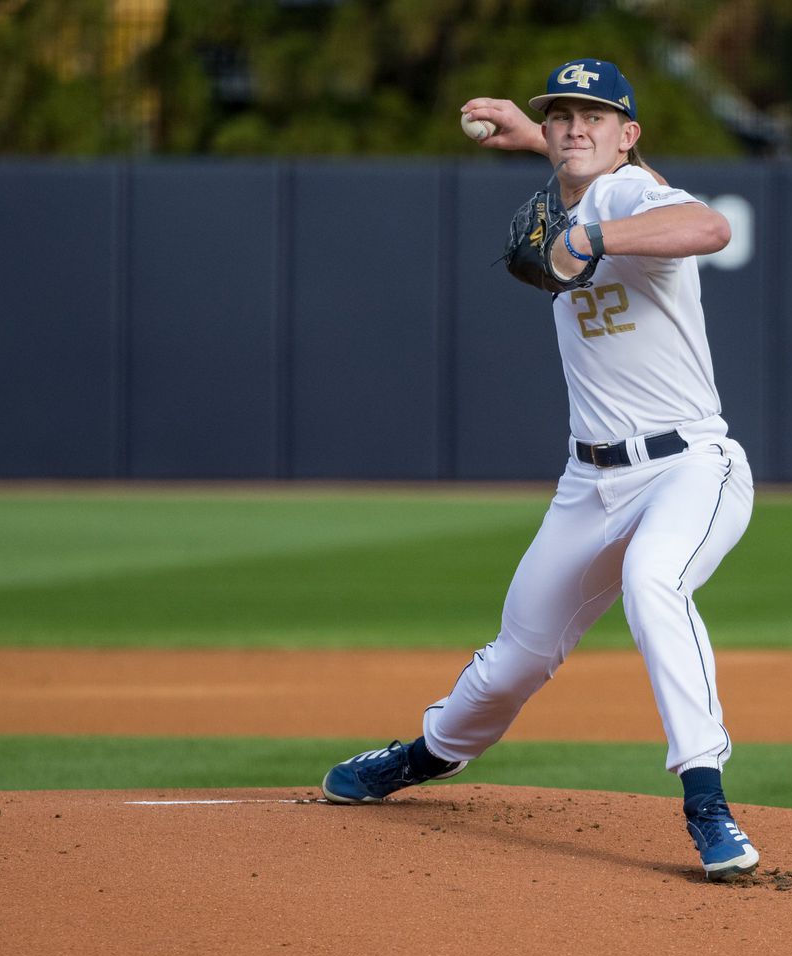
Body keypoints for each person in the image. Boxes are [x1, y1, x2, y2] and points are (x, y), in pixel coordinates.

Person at [321, 59, 761, 882]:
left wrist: (591, 234)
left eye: (594, 116)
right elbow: (574, 172)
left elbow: (710, 228)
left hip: (689, 466)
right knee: (515, 658)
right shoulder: (568, 186)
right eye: (560, 115)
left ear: (629, 136)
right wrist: (538, 146)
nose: (574, 126)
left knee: (654, 582)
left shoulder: (629, 196)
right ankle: (427, 755)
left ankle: (707, 799)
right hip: (588, 484)